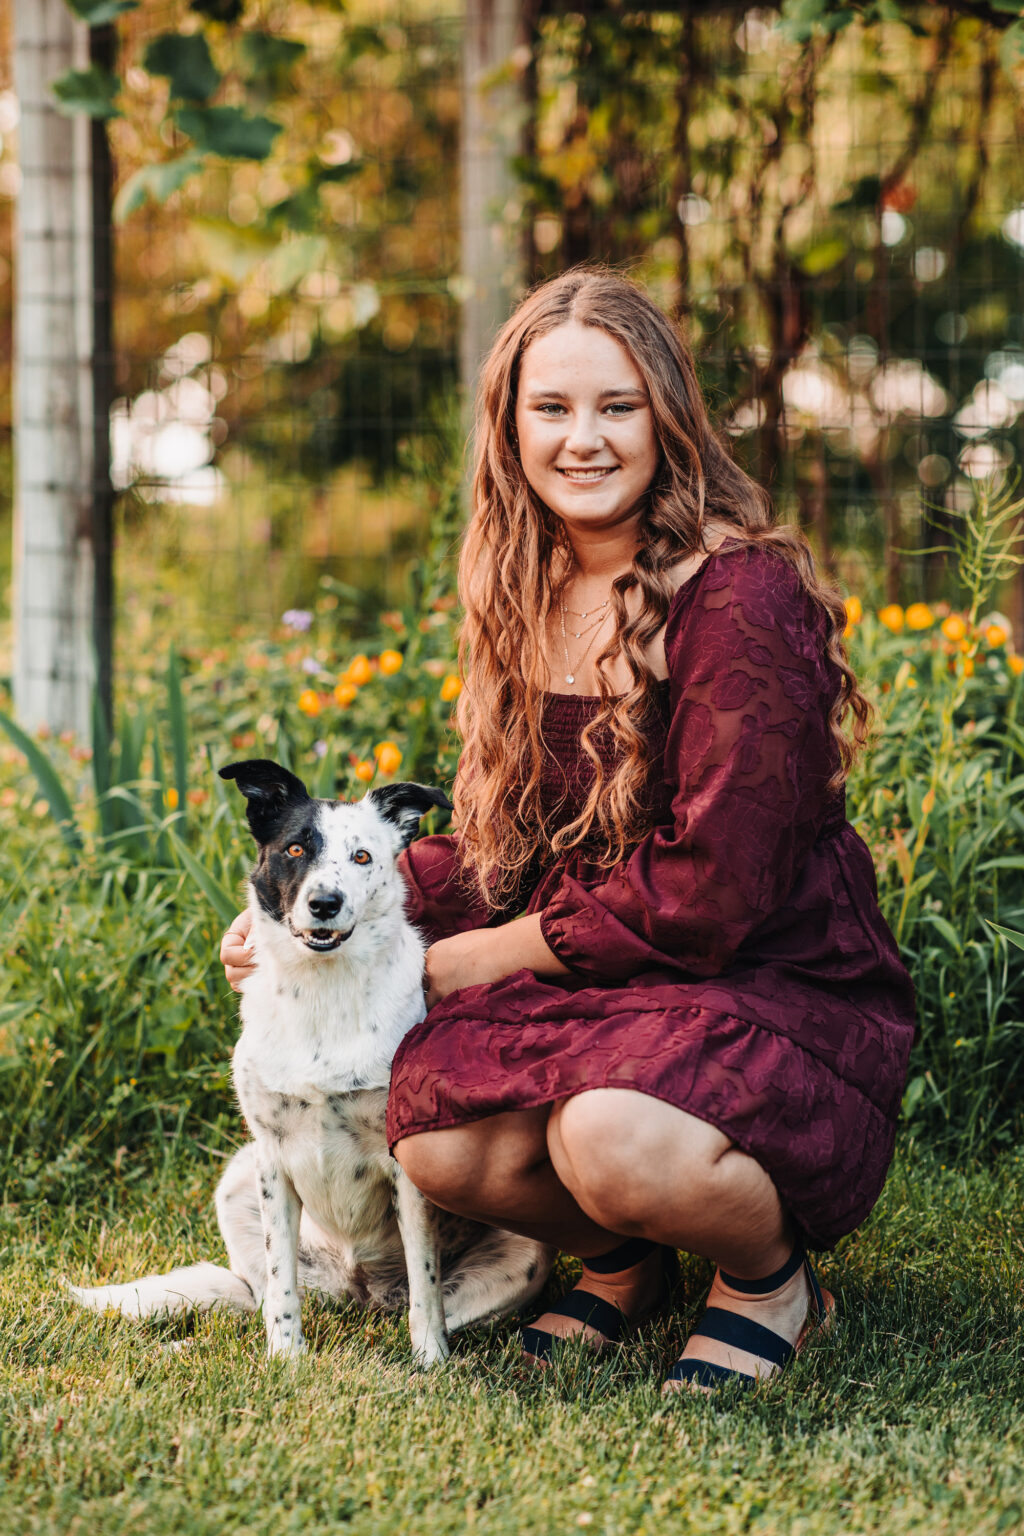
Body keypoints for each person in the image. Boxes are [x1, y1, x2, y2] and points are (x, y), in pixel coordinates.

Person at [222, 268, 916, 1393]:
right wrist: (321, 913)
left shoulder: (738, 599)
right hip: (599, 968)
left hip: (762, 973)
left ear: (667, 418)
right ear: (510, 427)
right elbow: (501, 844)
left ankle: (771, 1281)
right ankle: (620, 1262)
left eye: (616, 406)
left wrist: (488, 954)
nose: (581, 439)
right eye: (551, 409)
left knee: (606, 1137)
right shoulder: (520, 587)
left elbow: (714, 886)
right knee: (429, 1132)